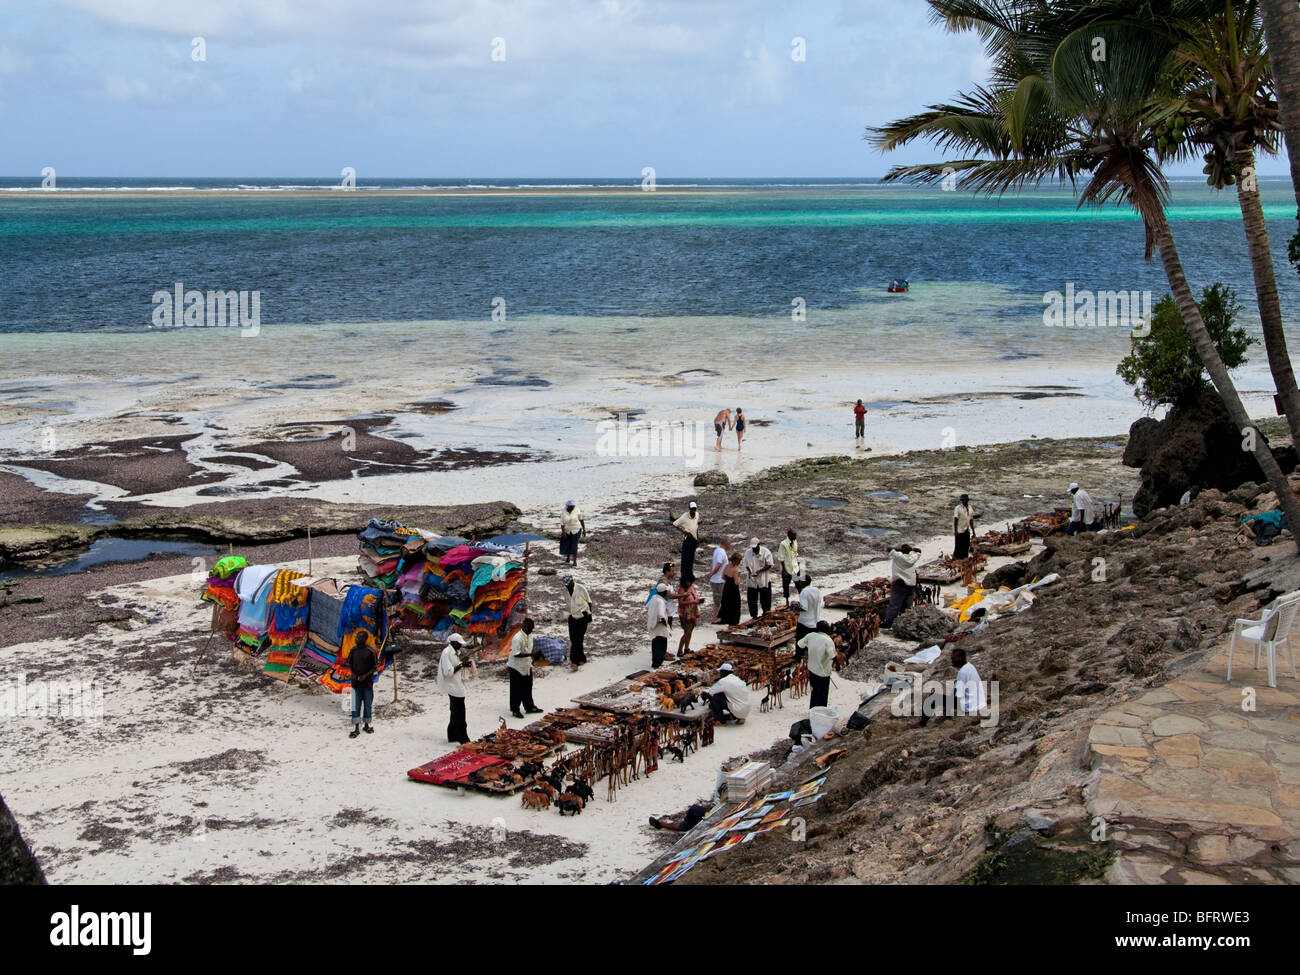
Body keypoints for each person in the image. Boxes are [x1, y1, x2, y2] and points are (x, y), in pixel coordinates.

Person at [437, 634, 472, 744]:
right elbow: (448, 672)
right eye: (459, 644)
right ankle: (463, 738)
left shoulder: (456, 652)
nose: (460, 646)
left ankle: (452, 735)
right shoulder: (446, 653)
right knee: (460, 712)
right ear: (453, 642)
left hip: (457, 684)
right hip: (452, 686)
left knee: (455, 710)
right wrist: (462, 665)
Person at [798, 620, 836, 710]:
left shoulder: (810, 636)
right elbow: (832, 656)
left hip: (811, 669)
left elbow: (800, 644)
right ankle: (820, 712)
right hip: (823, 672)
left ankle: (812, 709)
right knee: (822, 695)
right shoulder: (828, 640)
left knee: (814, 691)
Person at [507, 618, 541, 718]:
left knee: (527, 687)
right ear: (525, 627)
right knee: (516, 690)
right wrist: (531, 654)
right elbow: (516, 654)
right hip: (516, 667)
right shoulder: (517, 638)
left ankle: (529, 707)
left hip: (526, 665)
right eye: (530, 629)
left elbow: (529, 648)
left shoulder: (530, 635)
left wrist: (534, 656)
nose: (532, 631)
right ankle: (515, 710)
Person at [347, 631, 378, 738]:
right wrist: (354, 674)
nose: (356, 639)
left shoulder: (370, 651)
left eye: (358, 637)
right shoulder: (353, 650)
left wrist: (365, 675)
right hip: (356, 683)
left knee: (367, 704)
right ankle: (356, 727)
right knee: (355, 705)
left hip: (367, 683)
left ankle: (366, 724)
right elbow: (349, 664)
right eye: (356, 637)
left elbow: (374, 667)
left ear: (364, 639)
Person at [883, 544, 920, 628]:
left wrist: (897, 548)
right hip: (911, 583)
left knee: (894, 604)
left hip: (900, 583)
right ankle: (906, 621)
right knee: (907, 604)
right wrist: (912, 549)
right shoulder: (913, 557)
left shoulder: (898, 557)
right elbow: (918, 551)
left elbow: (889, 548)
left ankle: (889, 623)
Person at [563, 574, 593, 670]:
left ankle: (574, 661)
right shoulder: (565, 590)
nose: (568, 586)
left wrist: (589, 615)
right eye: (566, 585)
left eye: (569, 584)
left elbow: (589, 601)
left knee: (578, 639)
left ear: (572, 581)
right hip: (572, 616)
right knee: (573, 638)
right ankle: (582, 659)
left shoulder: (581, 588)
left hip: (582, 615)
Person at [741, 536, 774, 619]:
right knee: (752, 599)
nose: (754, 549)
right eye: (753, 548)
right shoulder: (748, 553)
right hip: (752, 579)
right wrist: (750, 572)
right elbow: (746, 564)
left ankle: (766, 614)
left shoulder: (766, 552)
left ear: (759, 545)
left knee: (765, 598)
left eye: (755, 547)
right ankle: (754, 616)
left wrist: (759, 571)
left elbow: (769, 564)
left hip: (763, 578)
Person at [952, 645, 987, 716]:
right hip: (980, 702)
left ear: (961, 659)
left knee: (934, 698)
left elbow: (958, 695)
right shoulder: (970, 666)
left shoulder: (962, 672)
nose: (952, 661)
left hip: (970, 706)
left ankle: (923, 723)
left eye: (954, 659)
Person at [794, 573, 822, 647]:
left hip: (804, 622)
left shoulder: (804, 592)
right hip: (815, 620)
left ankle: (798, 656)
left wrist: (795, 608)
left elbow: (804, 608)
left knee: (800, 641)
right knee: (812, 642)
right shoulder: (817, 590)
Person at [647, 587, 672, 669]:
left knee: (655, 643)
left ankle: (654, 663)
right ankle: (658, 663)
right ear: (664, 592)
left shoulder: (654, 598)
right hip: (660, 625)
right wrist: (665, 624)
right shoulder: (660, 601)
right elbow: (661, 614)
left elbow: (647, 606)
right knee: (661, 645)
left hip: (653, 624)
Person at [676, 572, 701, 655]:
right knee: (687, 632)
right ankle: (680, 650)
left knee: (690, 631)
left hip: (692, 611)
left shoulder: (691, 587)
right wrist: (693, 601)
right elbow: (681, 602)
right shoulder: (682, 589)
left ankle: (686, 648)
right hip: (685, 613)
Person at [708, 539, 731, 622]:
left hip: (720, 579)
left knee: (722, 598)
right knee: (718, 600)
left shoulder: (717, 551)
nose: (730, 546)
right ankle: (715, 618)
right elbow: (718, 564)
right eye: (729, 544)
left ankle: (721, 616)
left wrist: (711, 573)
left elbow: (713, 563)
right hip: (718, 580)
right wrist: (711, 574)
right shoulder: (721, 552)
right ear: (726, 544)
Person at [673, 501, 700, 571]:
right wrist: (683, 531)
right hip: (688, 538)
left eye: (694, 509)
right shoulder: (685, 516)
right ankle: (684, 572)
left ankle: (689, 572)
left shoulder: (697, 515)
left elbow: (696, 526)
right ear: (689, 509)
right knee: (685, 558)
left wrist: (698, 539)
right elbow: (675, 524)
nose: (693, 510)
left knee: (691, 557)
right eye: (692, 509)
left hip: (694, 538)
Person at [559, 499, 586, 567]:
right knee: (567, 544)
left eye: (573, 506)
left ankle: (574, 562)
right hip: (567, 530)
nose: (572, 508)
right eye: (571, 506)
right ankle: (568, 557)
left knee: (574, 545)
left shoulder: (577, 510)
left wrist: (584, 530)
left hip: (576, 530)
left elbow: (581, 520)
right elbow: (562, 524)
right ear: (567, 506)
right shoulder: (563, 512)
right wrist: (563, 532)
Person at [719, 551, 743, 626]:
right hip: (733, 590)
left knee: (726, 603)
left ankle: (725, 619)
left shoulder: (726, 566)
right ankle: (733, 621)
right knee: (734, 605)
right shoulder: (735, 570)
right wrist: (739, 578)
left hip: (726, 588)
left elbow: (722, 577)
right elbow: (736, 582)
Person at [776, 529, 798, 604]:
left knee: (799, 584)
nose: (795, 536)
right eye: (793, 535)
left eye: (795, 535)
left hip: (795, 567)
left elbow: (795, 554)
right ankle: (787, 602)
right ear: (789, 535)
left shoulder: (795, 542)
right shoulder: (783, 544)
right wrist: (783, 570)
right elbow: (781, 558)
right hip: (787, 567)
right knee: (786, 586)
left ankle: (802, 600)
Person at [953, 493, 975, 559]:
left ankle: (965, 560)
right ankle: (956, 560)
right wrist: (955, 531)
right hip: (960, 531)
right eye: (963, 500)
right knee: (958, 547)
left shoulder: (970, 507)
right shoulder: (958, 508)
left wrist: (973, 531)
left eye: (965, 500)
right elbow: (955, 520)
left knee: (966, 546)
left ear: (967, 500)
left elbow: (971, 520)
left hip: (966, 530)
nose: (964, 501)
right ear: (961, 500)